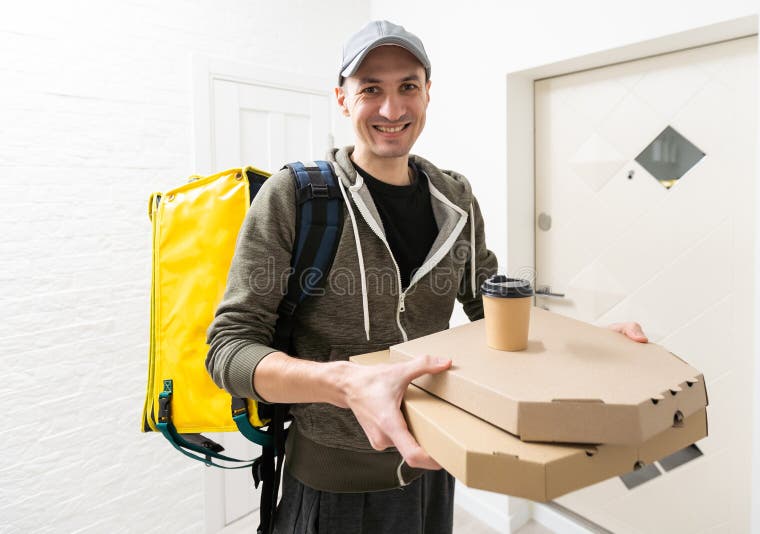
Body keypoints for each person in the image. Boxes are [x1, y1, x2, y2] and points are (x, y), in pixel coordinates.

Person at [206, 20, 648, 534]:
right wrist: (344, 383)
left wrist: (583, 343)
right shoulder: (296, 197)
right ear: (343, 99)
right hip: (332, 485)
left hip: (433, 466)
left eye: (407, 87)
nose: (392, 110)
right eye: (371, 88)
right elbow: (227, 351)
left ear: (427, 94)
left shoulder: (455, 199)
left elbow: (492, 306)